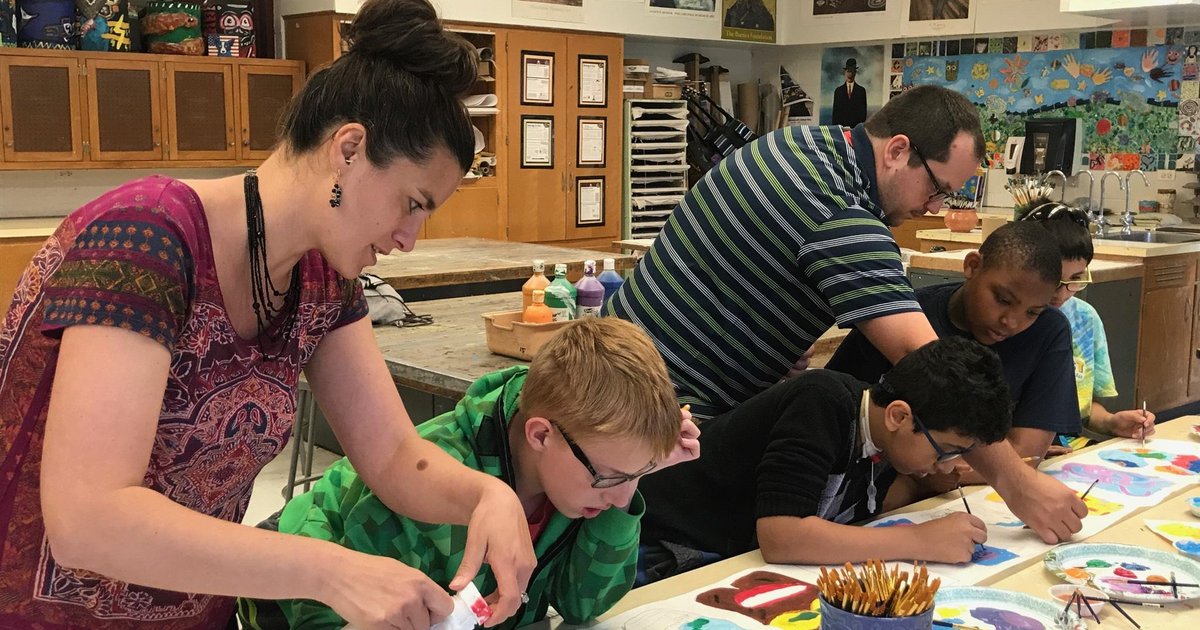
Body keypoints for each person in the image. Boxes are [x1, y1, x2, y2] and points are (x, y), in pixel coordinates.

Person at [0, 1, 536, 628]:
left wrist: (485, 495)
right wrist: (331, 570)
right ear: (350, 149)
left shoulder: (322, 279)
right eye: (411, 204)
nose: (408, 239)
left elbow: (392, 456)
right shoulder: (146, 237)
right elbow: (88, 519)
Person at [603, 84, 1086, 543]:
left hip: (617, 388)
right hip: (655, 432)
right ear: (898, 150)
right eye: (937, 189)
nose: (934, 208)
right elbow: (939, 376)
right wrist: (1017, 484)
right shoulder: (840, 211)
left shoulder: (800, 145)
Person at [237, 317, 701, 629]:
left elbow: (584, 604)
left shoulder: (579, 467)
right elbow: (343, 613)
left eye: (638, 476)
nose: (621, 499)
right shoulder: (431, 488)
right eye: (611, 478)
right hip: (292, 600)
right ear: (541, 436)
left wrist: (633, 474)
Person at [638, 337, 1011, 581]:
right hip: (667, 550)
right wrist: (919, 539)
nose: (947, 464)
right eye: (946, 450)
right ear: (899, 416)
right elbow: (782, 536)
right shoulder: (822, 401)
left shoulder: (885, 438)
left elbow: (851, 510)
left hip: (731, 558)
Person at [827, 222, 1079, 494]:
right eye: (1003, 300)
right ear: (972, 266)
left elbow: (1026, 456)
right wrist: (922, 474)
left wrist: (934, 466)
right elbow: (846, 421)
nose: (1012, 322)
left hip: (973, 499)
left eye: (1032, 312)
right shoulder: (902, 319)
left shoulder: (1048, 331)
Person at [1027, 204, 1157, 442]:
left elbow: (1085, 412)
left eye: (1076, 279)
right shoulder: (1008, 323)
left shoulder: (1086, 319)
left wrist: (1112, 423)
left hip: (1071, 448)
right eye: (1052, 279)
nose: (1062, 293)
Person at [831, 57, 868, 127]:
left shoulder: (861, 91)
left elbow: (863, 115)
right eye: (848, 71)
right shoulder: (838, 91)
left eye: (852, 71)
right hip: (842, 131)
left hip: (855, 130)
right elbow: (835, 115)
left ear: (855, 72)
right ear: (845, 72)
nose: (850, 74)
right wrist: (837, 131)